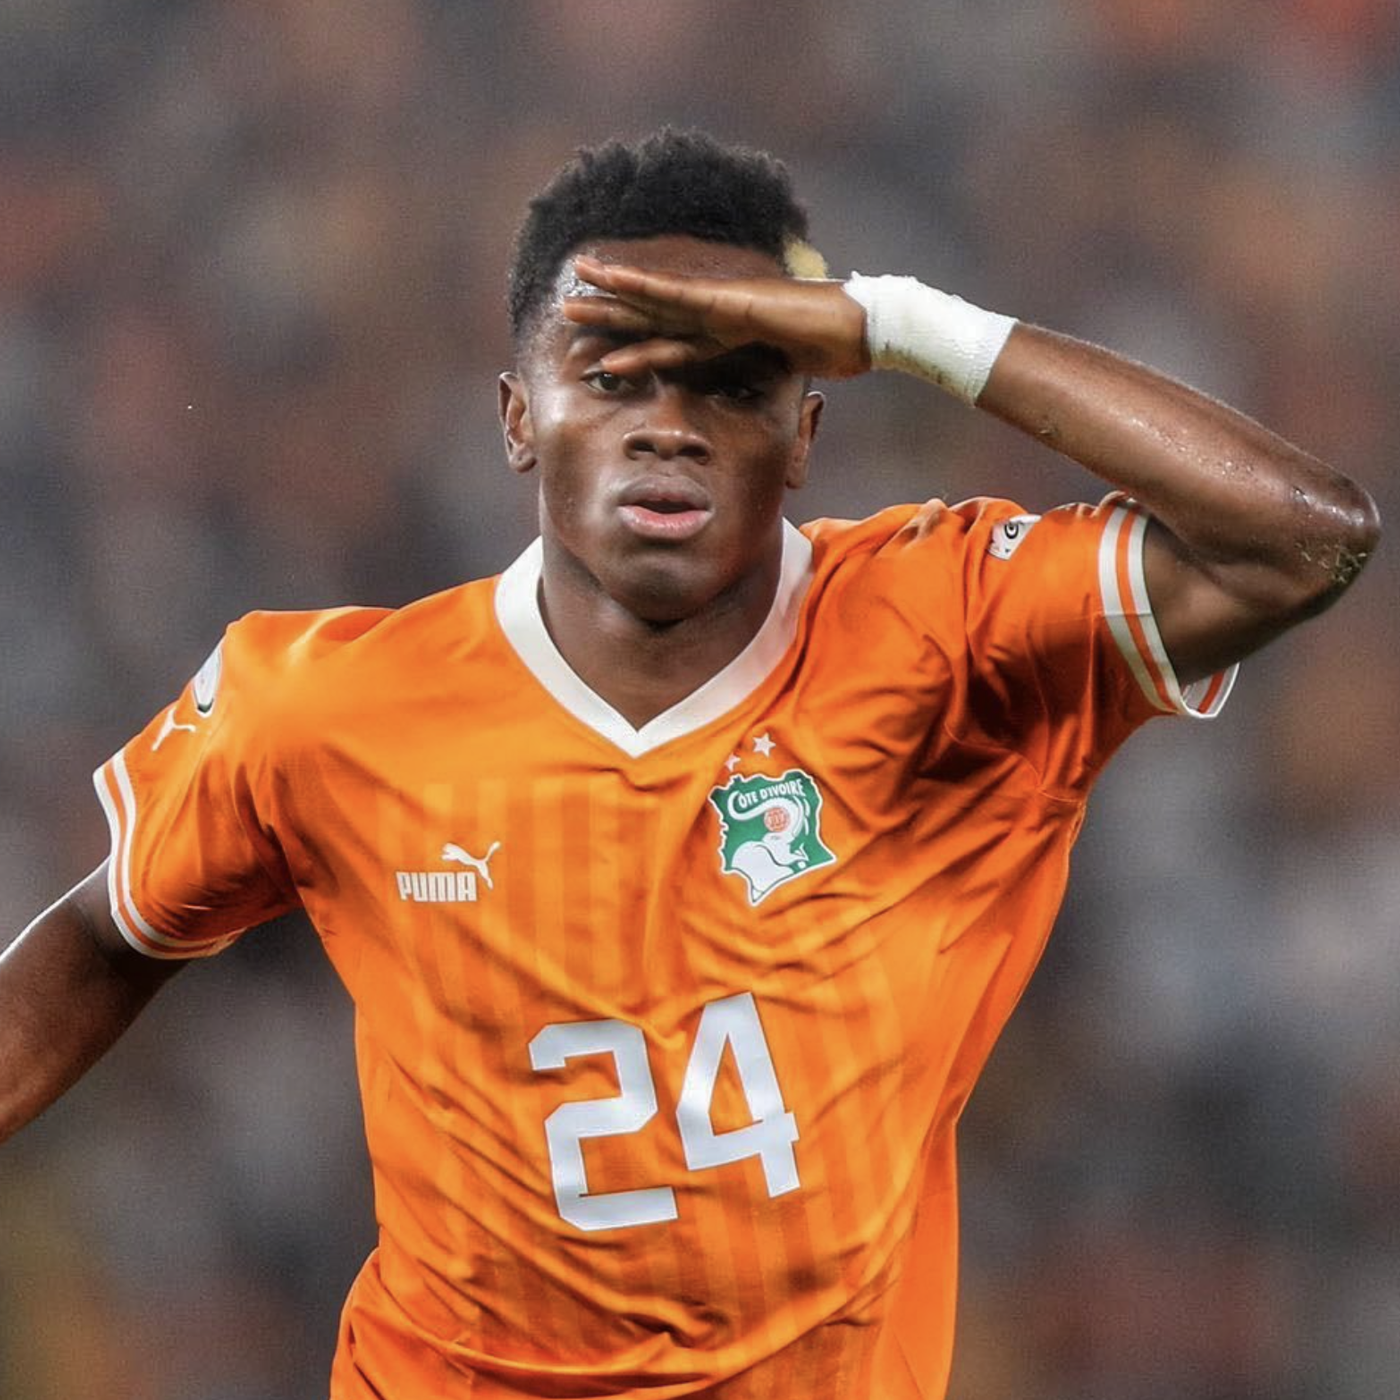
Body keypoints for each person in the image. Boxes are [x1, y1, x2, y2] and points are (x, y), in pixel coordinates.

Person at [0, 128, 1380, 1399]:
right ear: (518, 417)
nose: (670, 425)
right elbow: (107, 934)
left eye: (733, 385)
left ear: (806, 433)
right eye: (613, 377)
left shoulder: (951, 639)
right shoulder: (327, 707)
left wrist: (900, 326)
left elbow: (1305, 540)